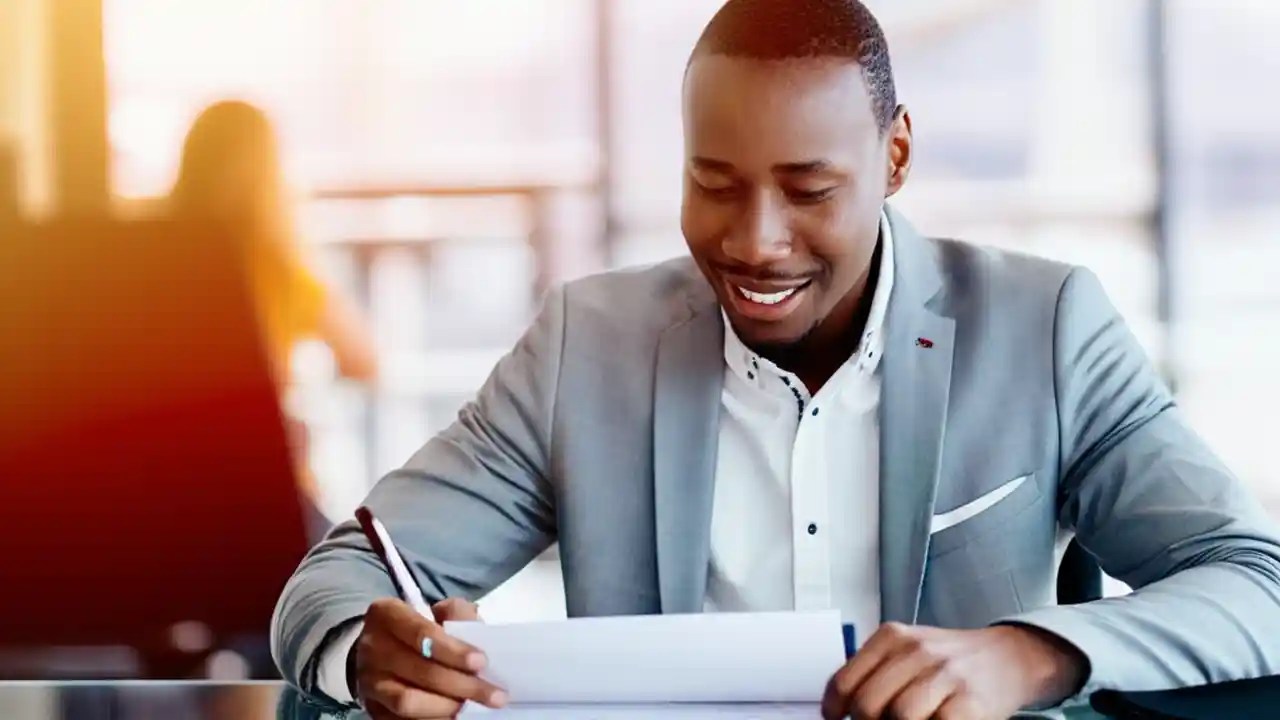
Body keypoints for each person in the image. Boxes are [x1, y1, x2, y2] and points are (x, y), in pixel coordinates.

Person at [272, 1, 1280, 718]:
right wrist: (368, 649)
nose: (754, 240)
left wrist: (1028, 658)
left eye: (806, 190)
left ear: (893, 157)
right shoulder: (588, 345)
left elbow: (1254, 581)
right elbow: (339, 577)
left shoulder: (1044, 326)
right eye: (714, 183)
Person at [170, 100, 378, 517]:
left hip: (174, 478)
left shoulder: (154, 262)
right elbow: (364, 360)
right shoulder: (276, 270)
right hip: (261, 486)